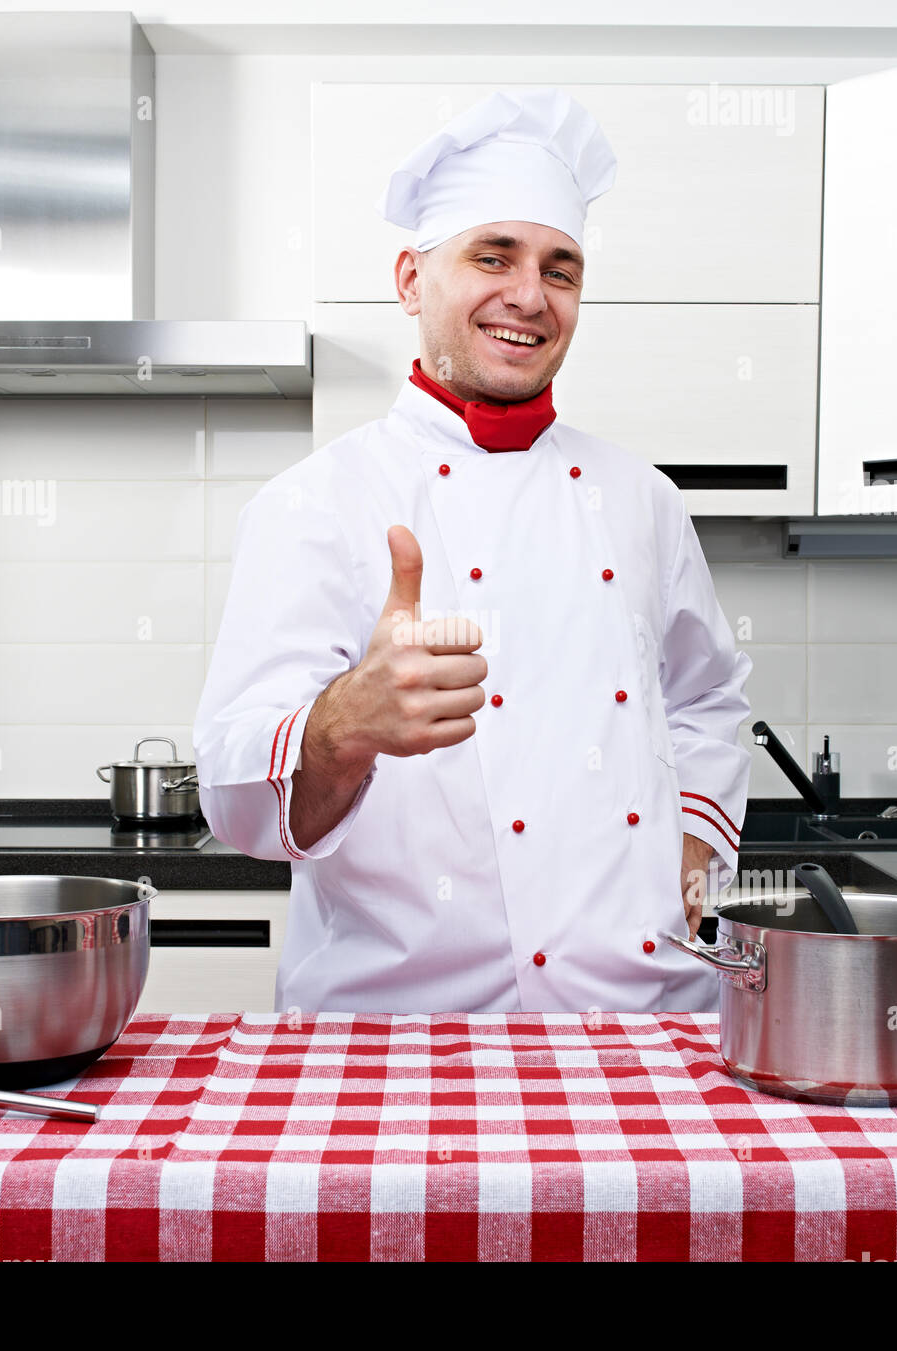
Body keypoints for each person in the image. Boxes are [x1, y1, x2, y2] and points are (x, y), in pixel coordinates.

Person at [194, 87, 752, 1014]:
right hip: (395, 1035)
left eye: (560, 269)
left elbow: (707, 701)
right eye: (492, 256)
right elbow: (236, 801)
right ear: (412, 278)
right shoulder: (315, 506)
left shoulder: (643, 500)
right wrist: (344, 726)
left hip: (649, 1021)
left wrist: (691, 857)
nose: (529, 296)